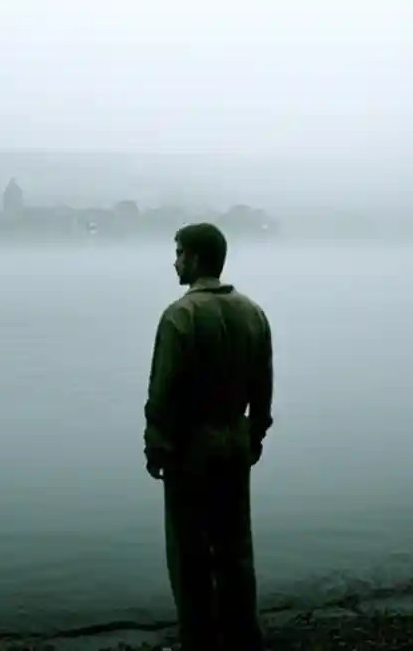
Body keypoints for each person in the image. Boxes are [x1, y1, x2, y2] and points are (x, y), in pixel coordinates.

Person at [143, 222, 273, 650]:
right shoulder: (253, 312)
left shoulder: (180, 315)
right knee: (235, 548)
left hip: (190, 447)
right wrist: (254, 435)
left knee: (189, 553)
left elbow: (163, 392)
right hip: (234, 442)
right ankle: (242, 635)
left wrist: (156, 447)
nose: (175, 261)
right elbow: (263, 388)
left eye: (179, 252)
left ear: (197, 258)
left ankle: (198, 638)